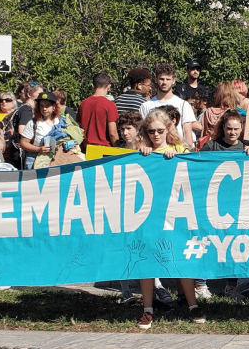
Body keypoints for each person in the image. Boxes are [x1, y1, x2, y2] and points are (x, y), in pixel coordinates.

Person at [132, 109, 203, 329]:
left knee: (181, 258)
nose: (155, 135)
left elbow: (199, 165)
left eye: (160, 130)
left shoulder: (180, 149)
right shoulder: (138, 150)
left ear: (168, 129)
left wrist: (176, 154)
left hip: (175, 212)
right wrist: (141, 153)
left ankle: (193, 305)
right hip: (147, 213)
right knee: (147, 260)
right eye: (150, 131)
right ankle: (147, 309)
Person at [140, 63, 196, 149]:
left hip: (177, 151)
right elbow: (143, 133)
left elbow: (187, 132)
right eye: (161, 79)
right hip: (153, 153)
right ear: (156, 80)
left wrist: (187, 153)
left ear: (173, 80)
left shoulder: (183, 105)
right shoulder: (146, 106)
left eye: (168, 79)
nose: (164, 82)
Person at [18, 92, 59, 170]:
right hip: (35, 160)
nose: (44, 108)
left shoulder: (60, 121)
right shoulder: (33, 122)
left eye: (47, 105)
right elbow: (23, 143)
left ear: (54, 107)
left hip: (55, 160)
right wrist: (39, 149)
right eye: (42, 106)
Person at [79, 73, 119, 152]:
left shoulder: (83, 104)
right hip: (104, 150)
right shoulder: (110, 105)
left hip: (86, 149)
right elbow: (113, 133)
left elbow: (79, 128)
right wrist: (118, 149)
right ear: (108, 86)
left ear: (92, 86)